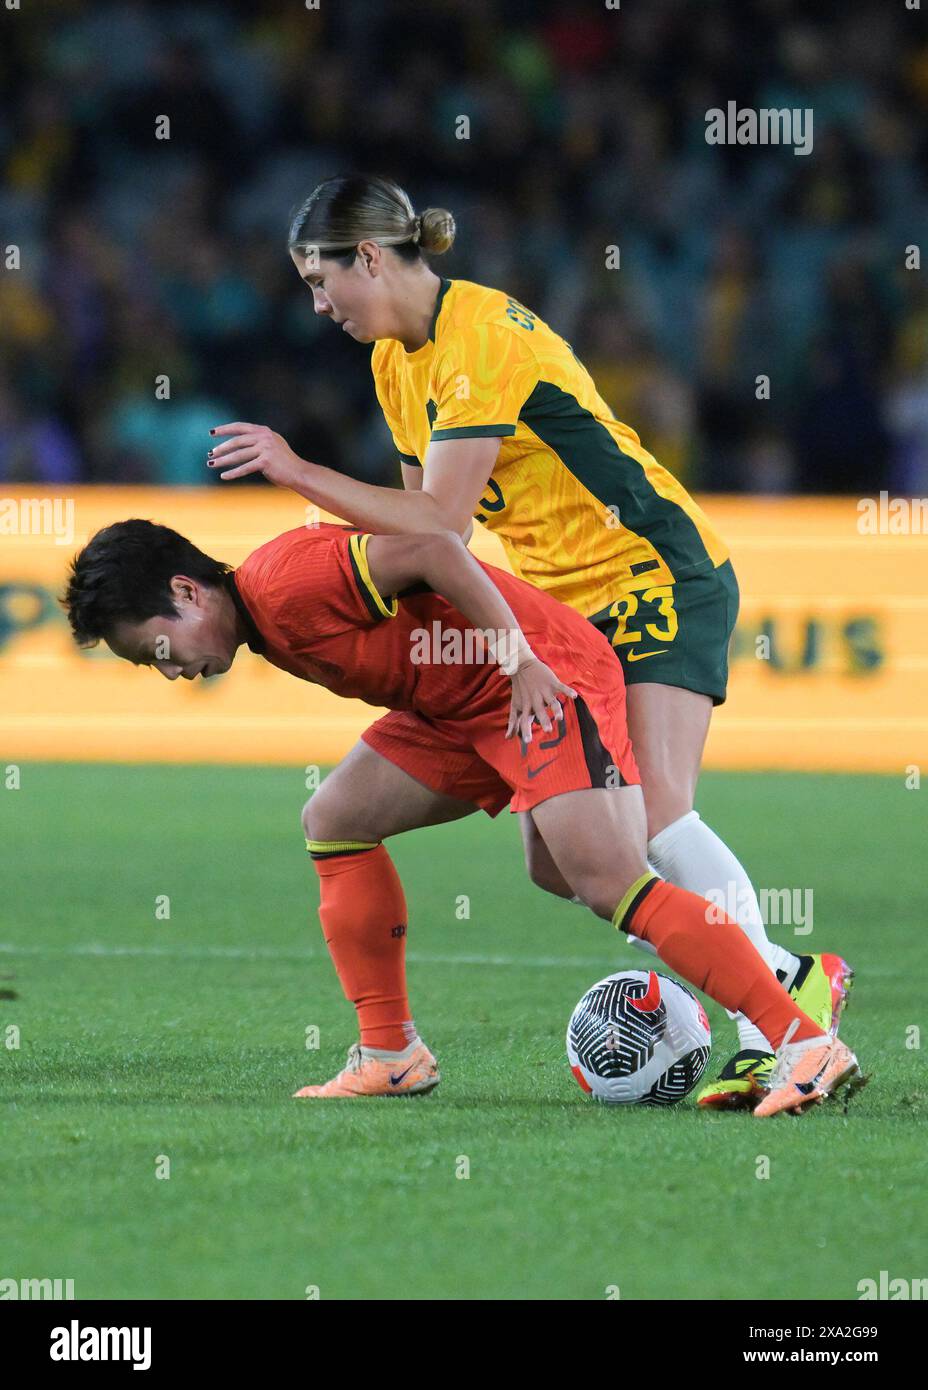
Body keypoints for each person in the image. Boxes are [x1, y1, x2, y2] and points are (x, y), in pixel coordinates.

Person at [204, 173, 853, 1108]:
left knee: (658, 817)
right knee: (560, 861)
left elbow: (437, 517)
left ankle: (782, 1031)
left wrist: (298, 472)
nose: (318, 306)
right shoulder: (397, 362)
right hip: (566, 607)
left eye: (321, 280)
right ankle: (782, 971)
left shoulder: (481, 340)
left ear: (373, 258)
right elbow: (434, 545)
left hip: (652, 570)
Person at [62, 516, 863, 1119]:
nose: (170, 671)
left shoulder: (283, 583)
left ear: (186, 591)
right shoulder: (265, 623)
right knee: (338, 817)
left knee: (607, 879)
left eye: (157, 649)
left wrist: (519, 661)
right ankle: (391, 1054)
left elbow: (438, 548)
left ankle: (802, 1040)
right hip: (456, 710)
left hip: (534, 681)